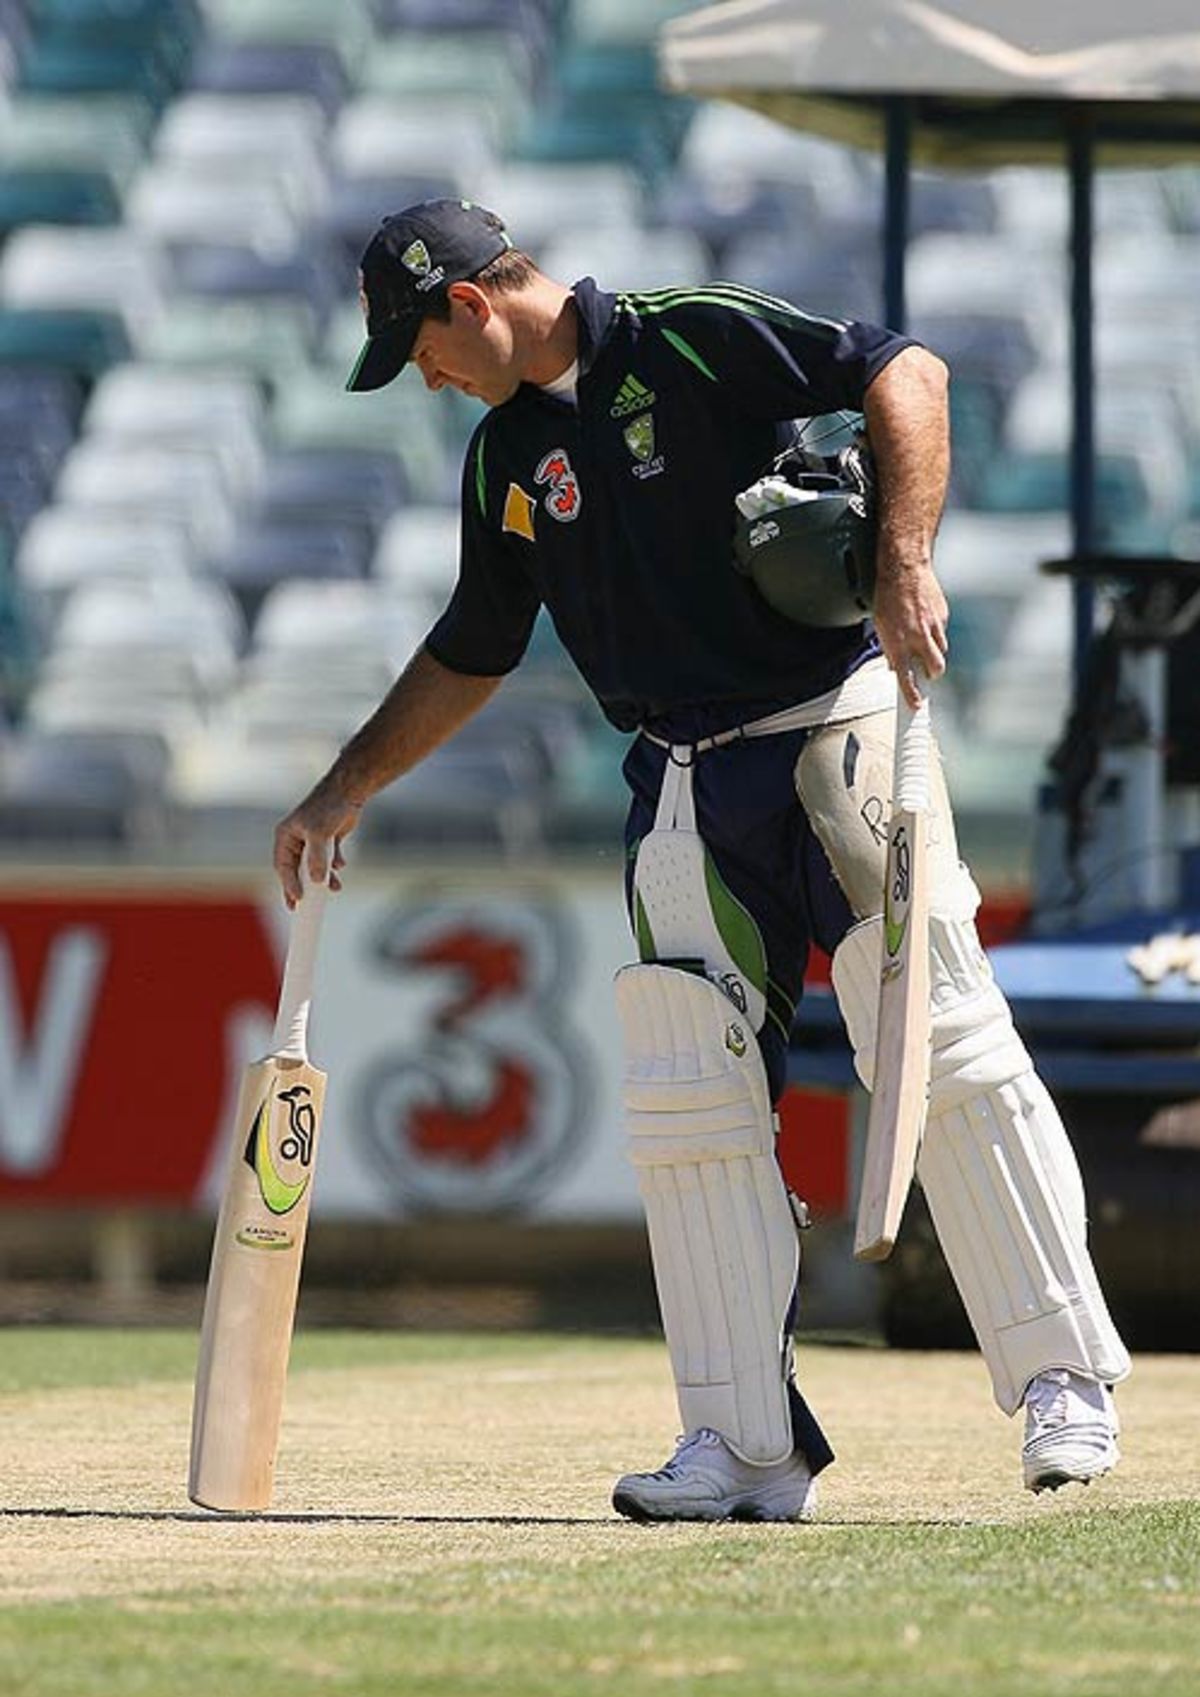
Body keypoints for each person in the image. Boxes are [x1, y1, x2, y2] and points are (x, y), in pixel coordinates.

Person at [273, 198, 1131, 1523]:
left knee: (942, 1034)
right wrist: (341, 791)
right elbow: (473, 646)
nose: (428, 382)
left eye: (423, 351)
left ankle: (1065, 1383)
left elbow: (906, 368)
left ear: (470, 303)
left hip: (831, 729)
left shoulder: (691, 338)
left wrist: (904, 557)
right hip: (679, 771)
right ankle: (741, 1442)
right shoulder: (506, 459)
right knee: (686, 1092)